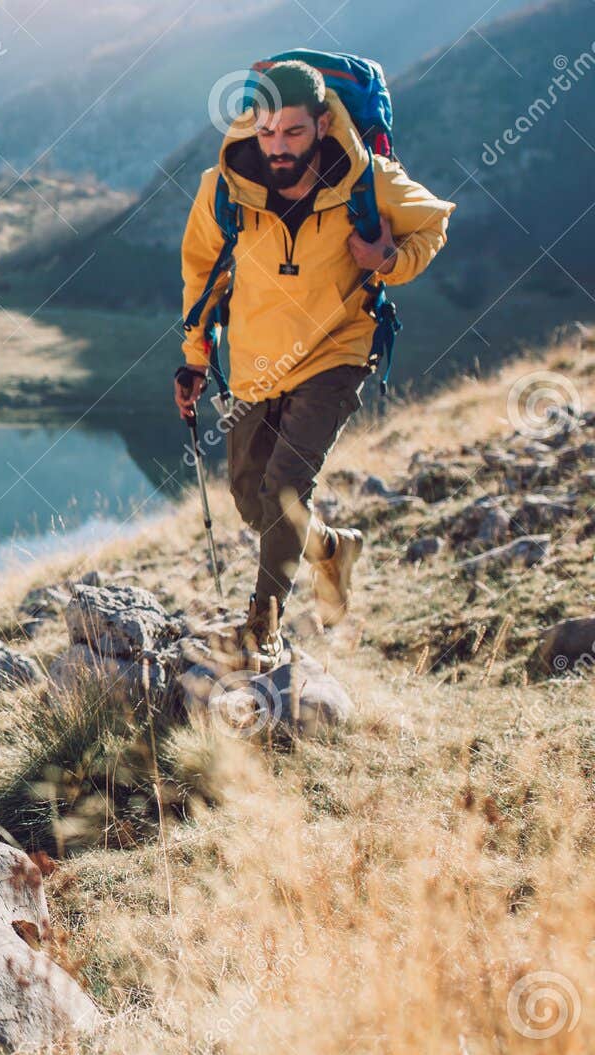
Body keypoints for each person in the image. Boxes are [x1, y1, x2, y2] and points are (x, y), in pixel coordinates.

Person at [176, 60, 453, 669]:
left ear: (323, 123)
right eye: (267, 132)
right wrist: (195, 358)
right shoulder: (222, 186)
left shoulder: (370, 180)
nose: (277, 147)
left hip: (337, 351)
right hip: (255, 361)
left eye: (294, 133)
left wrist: (387, 260)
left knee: (284, 490)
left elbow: (433, 222)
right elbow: (203, 272)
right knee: (253, 500)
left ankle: (263, 626)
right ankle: (330, 548)